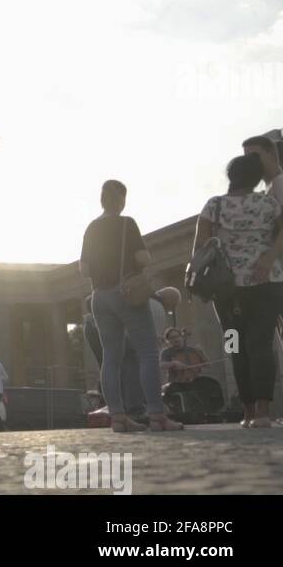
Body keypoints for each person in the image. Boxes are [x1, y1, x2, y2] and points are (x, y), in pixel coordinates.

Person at [80, 180, 183, 432]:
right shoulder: (127, 223)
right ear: (121, 200)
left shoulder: (91, 227)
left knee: (111, 358)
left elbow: (83, 269)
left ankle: (117, 417)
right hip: (126, 291)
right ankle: (158, 416)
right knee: (147, 352)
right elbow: (142, 258)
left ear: (101, 200)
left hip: (98, 297)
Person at [192, 154, 283, 428]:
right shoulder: (269, 204)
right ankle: (265, 412)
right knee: (262, 343)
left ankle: (247, 412)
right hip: (267, 284)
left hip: (226, 290)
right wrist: (268, 257)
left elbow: (200, 247)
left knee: (234, 344)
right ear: (256, 177)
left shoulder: (214, 206)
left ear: (230, 176)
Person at [82, 296, 146, 417]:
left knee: (109, 367)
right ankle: (133, 409)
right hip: (119, 365)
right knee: (128, 362)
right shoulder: (98, 322)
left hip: (110, 364)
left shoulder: (90, 324)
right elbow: (123, 344)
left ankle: (118, 411)